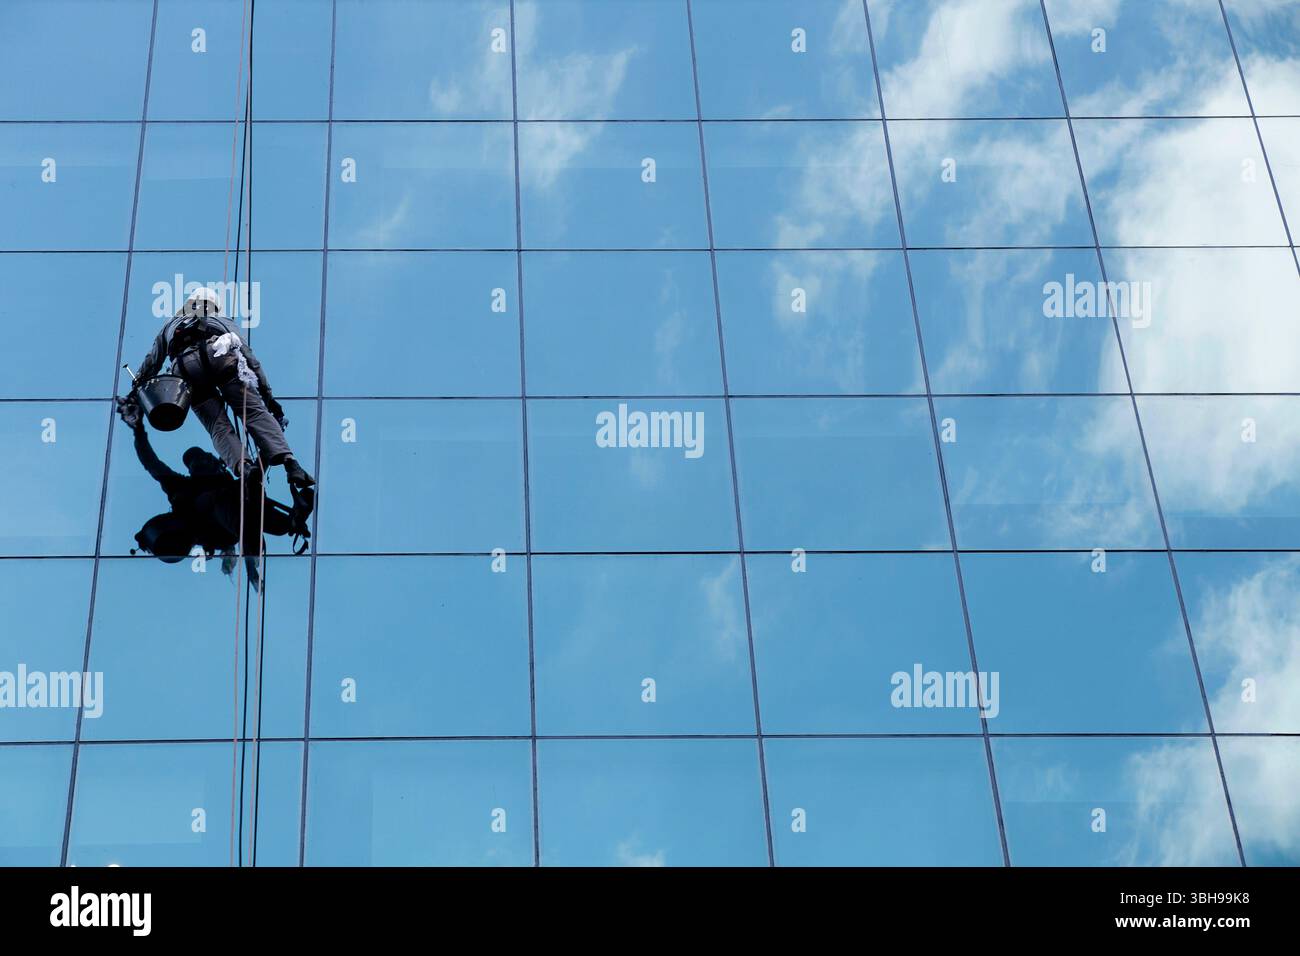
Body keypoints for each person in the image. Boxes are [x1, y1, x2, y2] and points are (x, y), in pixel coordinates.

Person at [132, 287, 314, 499]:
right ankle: (291, 464)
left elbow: (152, 361)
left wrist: (136, 384)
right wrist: (268, 397)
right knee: (254, 413)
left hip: (185, 369)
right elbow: (248, 356)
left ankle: (244, 467)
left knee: (217, 425)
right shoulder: (219, 319)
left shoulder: (171, 324)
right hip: (219, 357)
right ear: (214, 305)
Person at [118, 394, 308, 589]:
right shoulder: (182, 486)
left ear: (218, 464)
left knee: (274, 522)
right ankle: (262, 547)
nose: (201, 463)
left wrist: (271, 434)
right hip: (224, 523)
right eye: (196, 462)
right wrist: (138, 430)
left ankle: (290, 522)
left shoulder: (235, 484)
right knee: (228, 501)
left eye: (204, 459)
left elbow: (261, 463)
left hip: (241, 513)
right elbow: (151, 463)